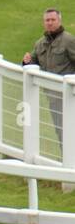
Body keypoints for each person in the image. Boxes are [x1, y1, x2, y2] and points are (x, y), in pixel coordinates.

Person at [22, 8, 75, 145]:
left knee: (70, 128)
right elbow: (32, 63)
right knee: (60, 130)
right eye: (47, 20)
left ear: (59, 21)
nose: (50, 23)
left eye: (53, 20)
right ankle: (66, 161)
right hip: (53, 97)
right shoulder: (40, 44)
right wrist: (26, 61)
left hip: (69, 96)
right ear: (44, 23)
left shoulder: (68, 40)